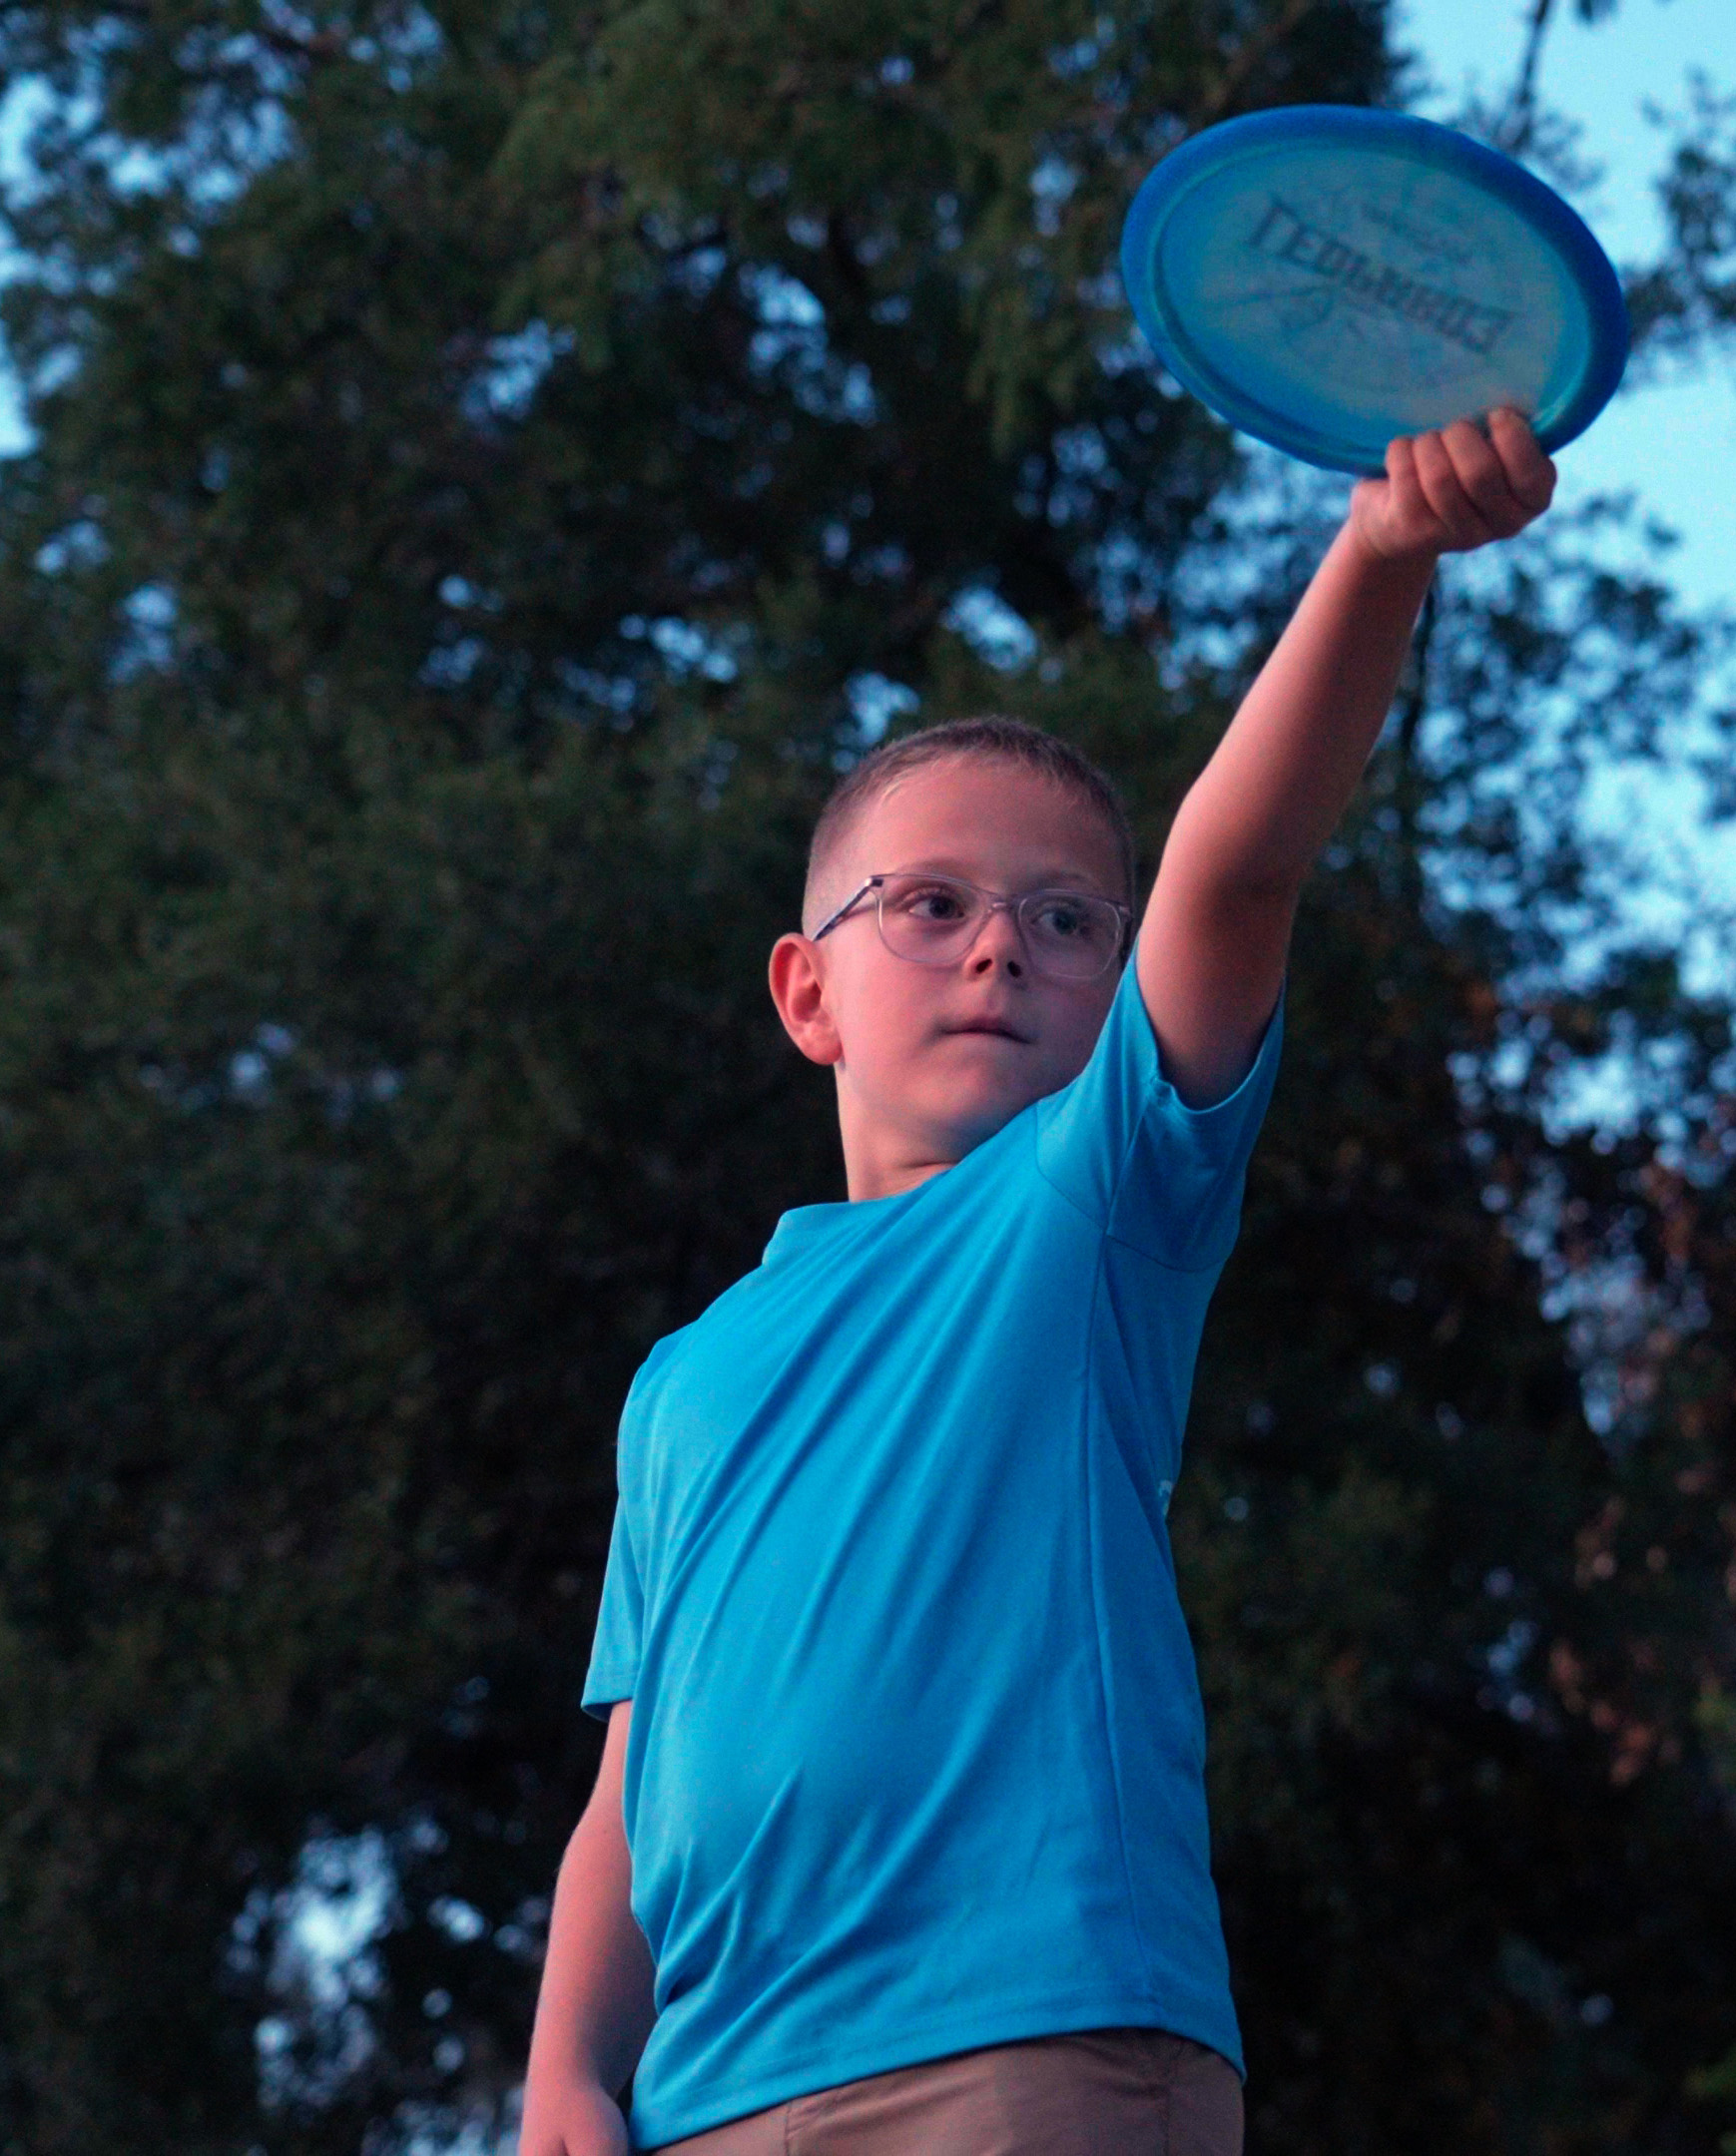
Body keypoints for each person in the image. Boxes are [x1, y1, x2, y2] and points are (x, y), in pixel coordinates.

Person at [518, 411, 1557, 2156]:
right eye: (926, 903)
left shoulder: (1091, 1209)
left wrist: (1379, 554)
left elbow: (1238, 867)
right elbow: (633, 1775)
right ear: (806, 995)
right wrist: (566, 2071)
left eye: (1070, 919)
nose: (1003, 940)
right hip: (708, 2094)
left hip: (1020, 2050)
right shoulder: (684, 1378)